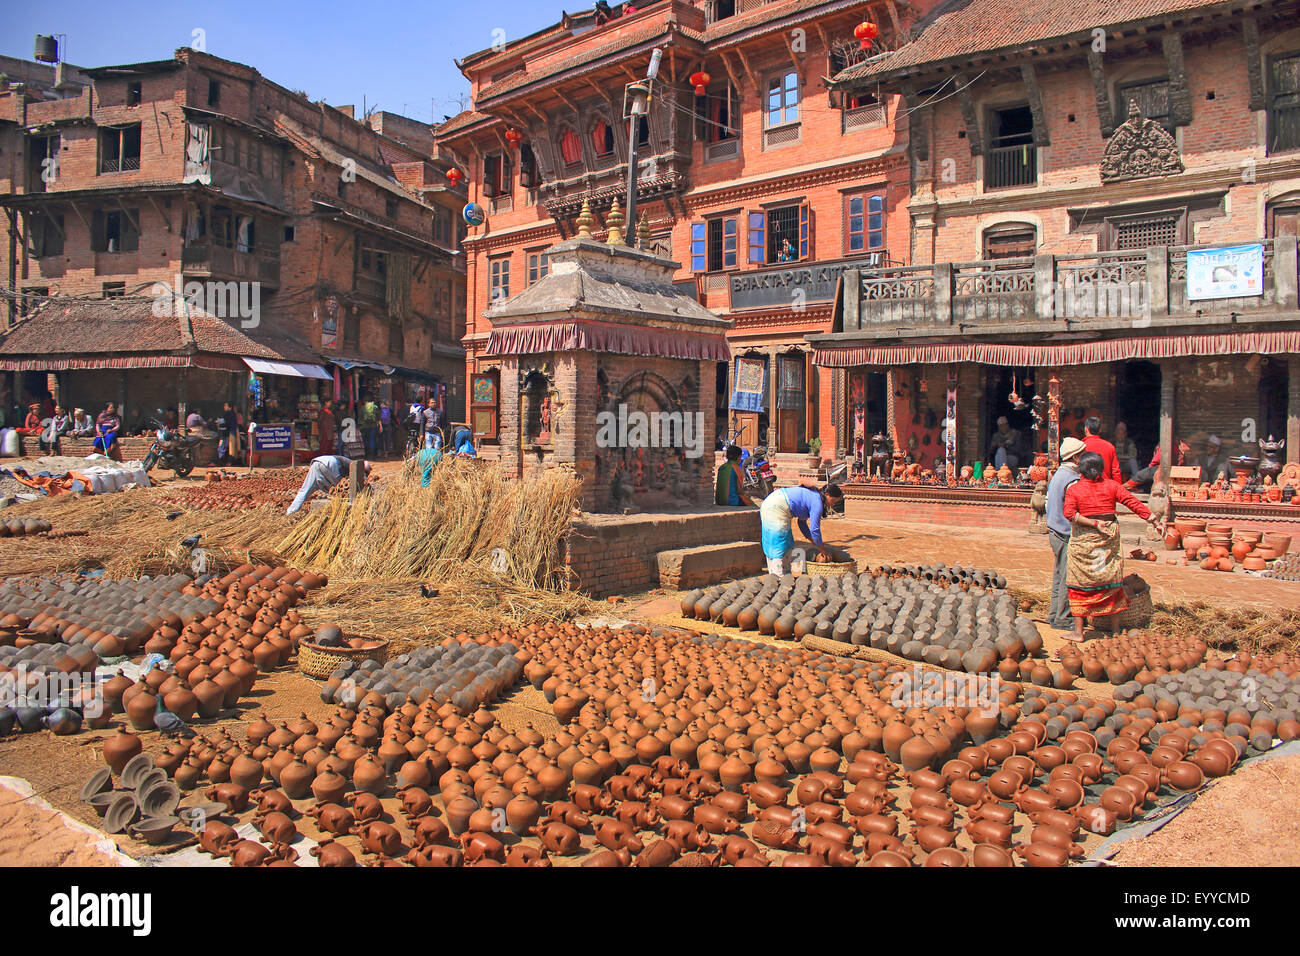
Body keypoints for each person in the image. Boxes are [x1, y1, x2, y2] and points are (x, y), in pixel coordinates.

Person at [1062, 451, 1164, 643]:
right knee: (1111, 583)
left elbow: (1069, 514)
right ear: (1101, 469)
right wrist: (1154, 520)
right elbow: (1133, 502)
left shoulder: (1074, 489)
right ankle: (1115, 631)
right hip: (1107, 540)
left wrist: (1093, 524)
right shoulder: (1111, 486)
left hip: (1084, 542)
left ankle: (1078, 632)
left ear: (1081, 469)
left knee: (1078, 584)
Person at [759, 483, 845, 575]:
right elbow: (814, 530)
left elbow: (802, 524)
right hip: (775, 507)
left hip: (777, 505)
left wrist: (814, 542)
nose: (833, 504)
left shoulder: (814, 497)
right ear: (827, 495)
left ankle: (786, 575)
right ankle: (777, 576)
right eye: (834, 500)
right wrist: (822, 549)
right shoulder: (817, 502)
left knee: (788, 543)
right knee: (778, 542)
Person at [1045, 437, 1085, 632]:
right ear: (1076, 458)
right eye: (1083, 455)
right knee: (1066, 577)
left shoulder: (1058, 475)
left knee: (1059, 574)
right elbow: (1073, 510)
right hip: (1064, 531)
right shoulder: (1071, 479)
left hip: (1054, 529)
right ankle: (1062, 617)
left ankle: (1054, 614)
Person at [286, 455, 371, 514]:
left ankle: (291, 512)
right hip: (332, 464)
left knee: (304, 491)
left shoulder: (346, 461)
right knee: (341, 491)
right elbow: (364, 482)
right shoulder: (356, 466)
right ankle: (341, 512)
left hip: (317, 462)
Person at [1126, 438, 1190, 491]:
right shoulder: (1179, 449)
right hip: (1172, 470)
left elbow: (1157, 459)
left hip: (1166, 469)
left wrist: (1152, 466)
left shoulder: (1169, 447)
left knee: (1143, 474)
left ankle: (1127, 485)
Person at [1081, 416, 1121, 484]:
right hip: (1106, 487)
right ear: (1100, 430)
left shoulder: (1081, 447)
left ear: (1086, 429)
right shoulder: (1110, 446)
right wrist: (1118, 488)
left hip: (1085, 487)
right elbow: (1116, 471)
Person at [359, 394, 380, 458]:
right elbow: (378, 418)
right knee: (372, 440)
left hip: (364, 427)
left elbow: (360, 417)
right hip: (373, 426)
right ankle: (373, 456)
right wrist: (380, 426)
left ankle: (366, 455)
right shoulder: (375, 407)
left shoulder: (363, 407)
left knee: (366, 441)